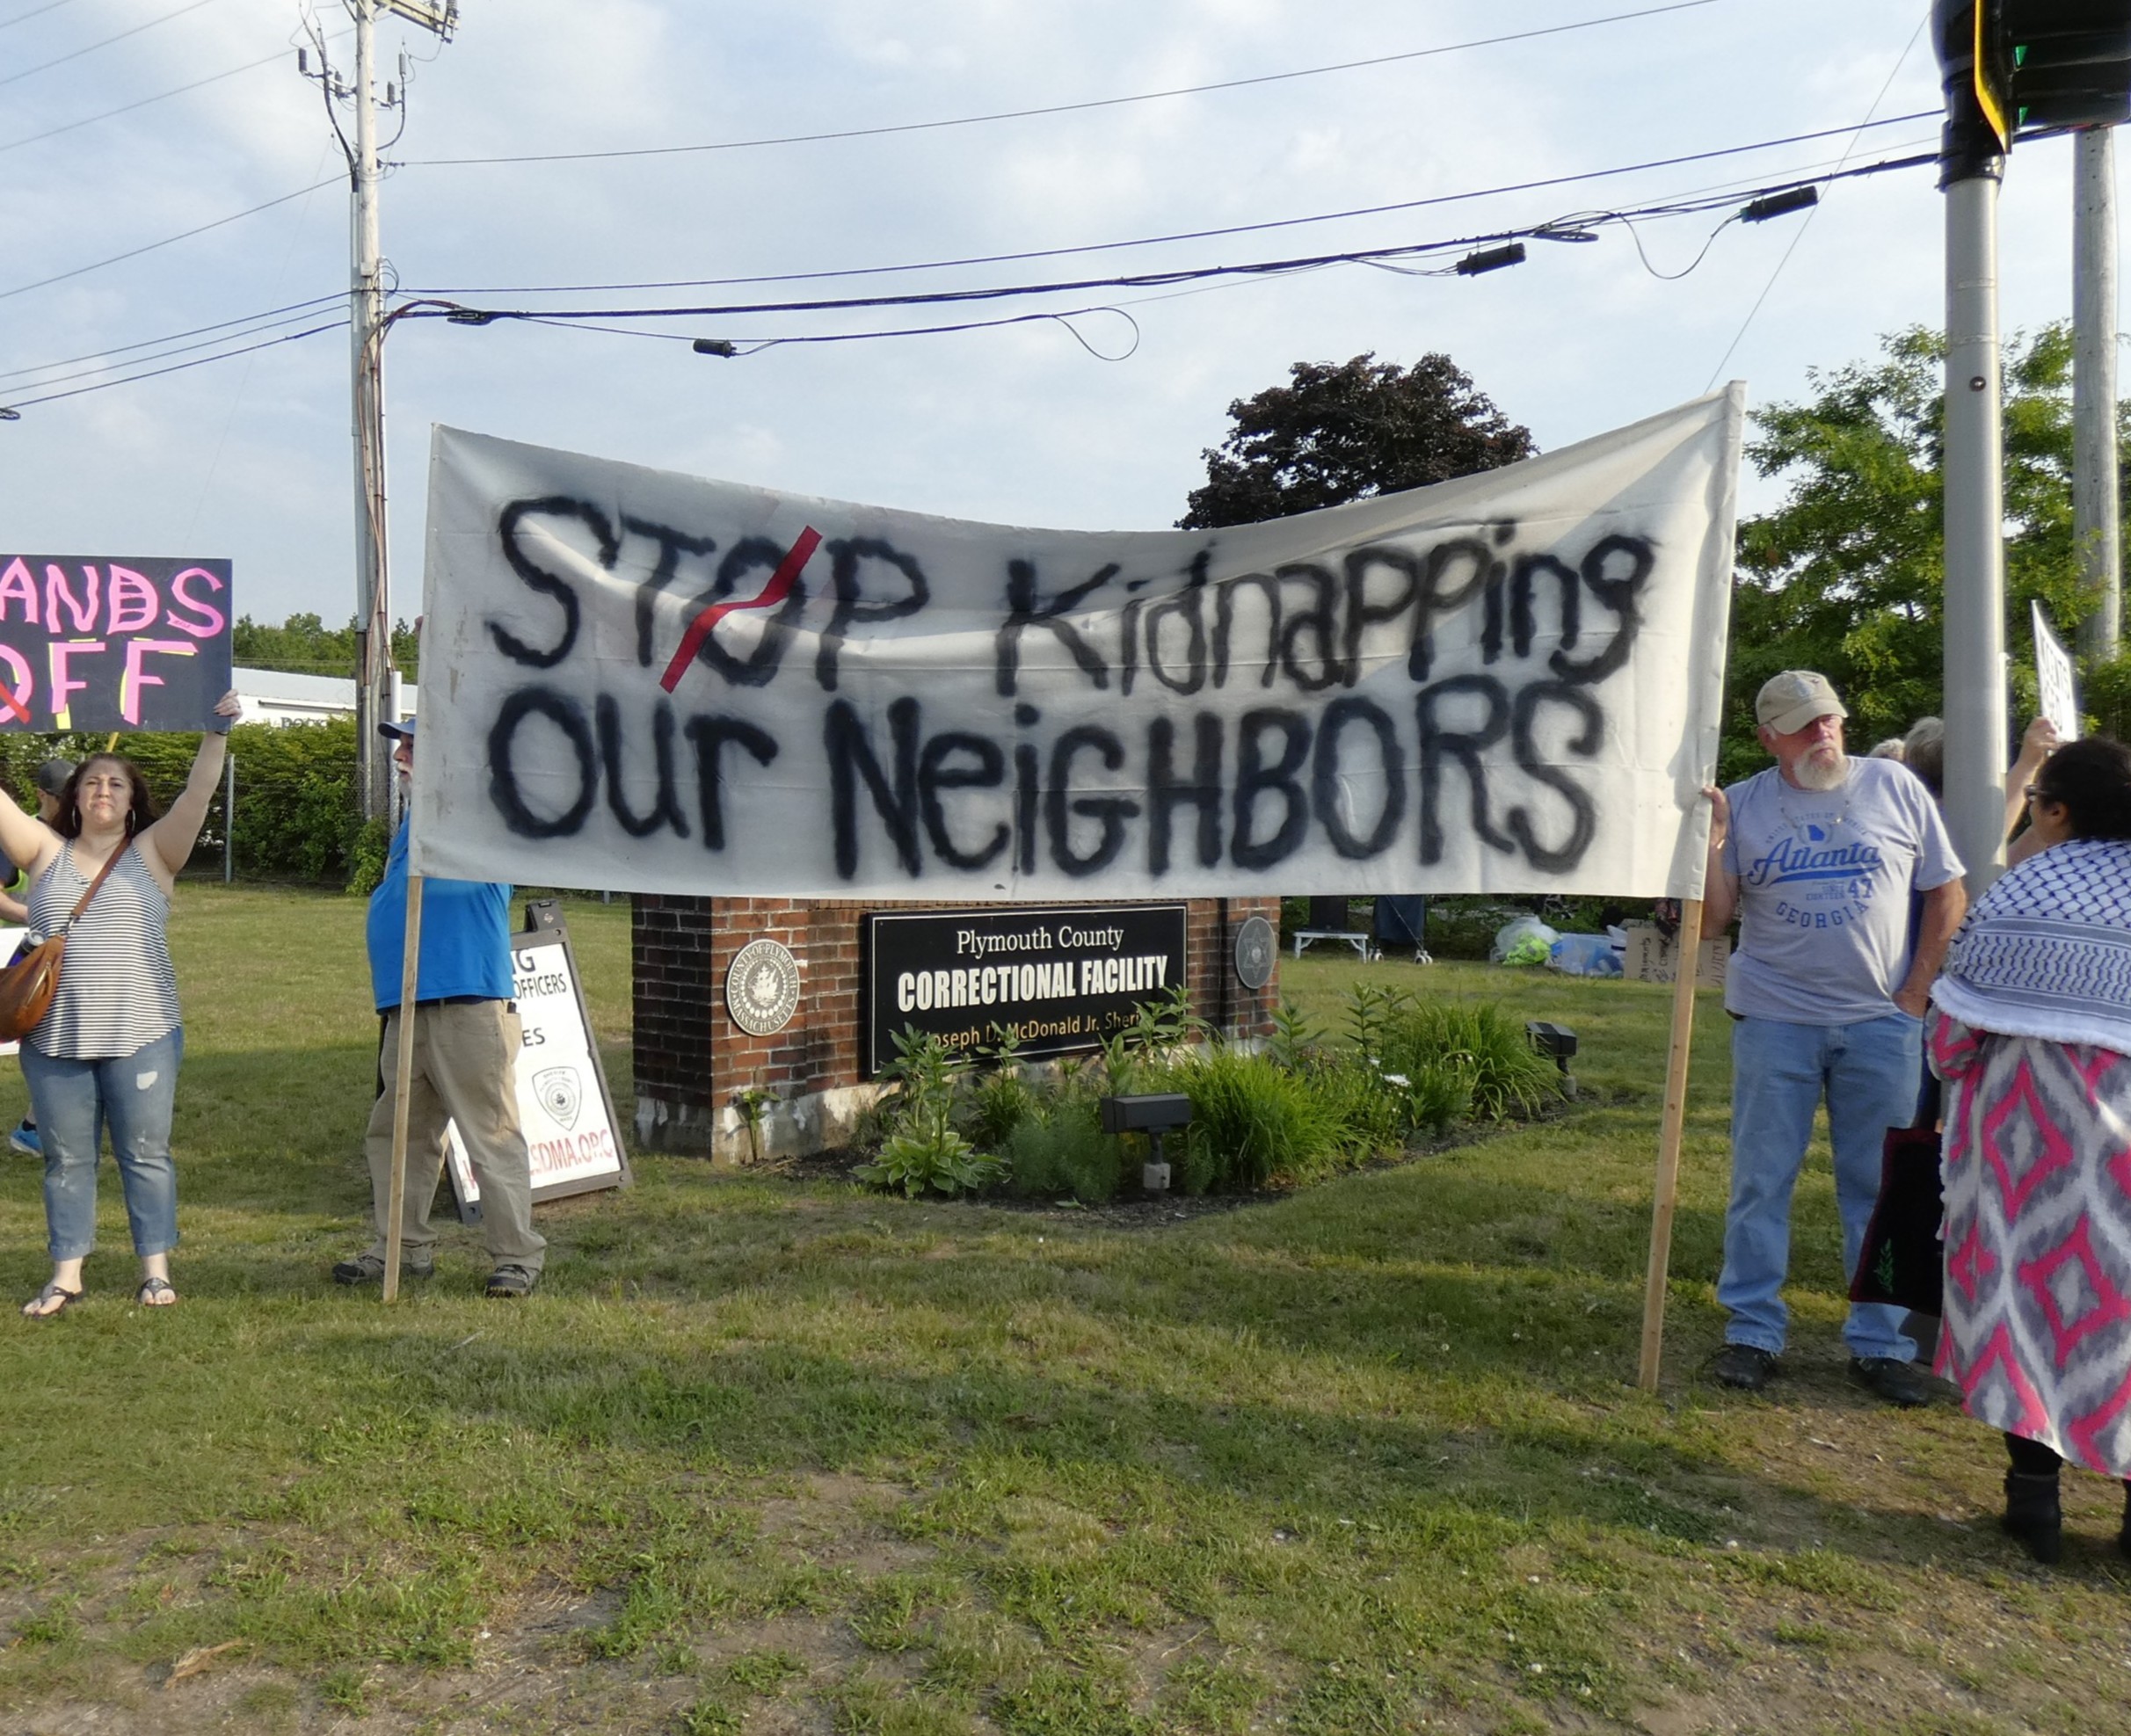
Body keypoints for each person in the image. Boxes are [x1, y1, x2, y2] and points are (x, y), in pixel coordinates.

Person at [1701, 671, 1967, 1404]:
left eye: (1829, 719)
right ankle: (1752, 1330)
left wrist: (1915, 994)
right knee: (1761, 1179)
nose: (1821, 733)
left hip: (1881, 1023)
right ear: (1768, 738)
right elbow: (1708, 923)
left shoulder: (1895, 787)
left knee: (1880, 1187)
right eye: (1801, 724)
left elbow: (1947, 890)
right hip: (1776, 1019)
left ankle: (1879, 1342)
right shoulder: (1747, 804)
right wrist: (1713, 844)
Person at [1927, 736, 2131, 1563]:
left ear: (2055, 811)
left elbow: (1951, 1035)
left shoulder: (2023, 893)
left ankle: (2034, 1502)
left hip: (2021, 1153)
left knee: (2022, 1304)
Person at [4, 702, 240, 1318]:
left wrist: (214, 732)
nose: (102, 790)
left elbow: (198, 791)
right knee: (66, 1158)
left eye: (116, 782)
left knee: (145, 1152)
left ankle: (155, 1273)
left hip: (144, 1033)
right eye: (91, 782)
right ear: (74, 798)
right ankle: (66, 1275)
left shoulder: (156, 853)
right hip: (54, 1040)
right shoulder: (42, 853)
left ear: (132, 800)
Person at [332, 717, 546, 1297]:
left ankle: (516, 1256)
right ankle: (400, 1247)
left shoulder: (481, 818)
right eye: (399, 743)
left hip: (468, 1005)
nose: (399, 753)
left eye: (413, 744)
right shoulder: (411, 827)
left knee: (490, 1135)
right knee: (399, 1134)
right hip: (408, 1008)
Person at [4, 758, 79, 1158]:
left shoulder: (83, 835)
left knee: (56, 1038)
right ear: (41, 795)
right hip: (18, 958)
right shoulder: (16, 836)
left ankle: (36, 1126)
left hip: (60, 959)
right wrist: (35, 915)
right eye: (64, 796)